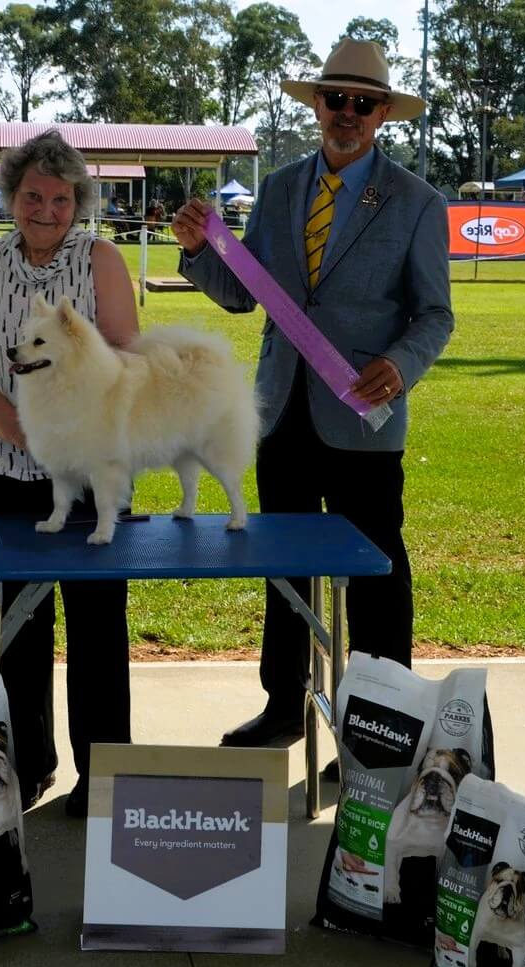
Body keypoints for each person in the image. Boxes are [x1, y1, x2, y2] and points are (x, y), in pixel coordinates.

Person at [172, 38, 454, 773]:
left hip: (364, 418)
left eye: (363, 104)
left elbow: (434, 315)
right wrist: (202, 252)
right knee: (282, 567)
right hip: (281, 414)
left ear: (383, 114)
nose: (347, 114)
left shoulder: (418, 203)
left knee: (376, 573)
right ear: (317, 105)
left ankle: (378, 724)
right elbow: (245, 295)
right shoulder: (276, 189)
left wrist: (400, 364)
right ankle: (282, 704)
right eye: (336, 99)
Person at [0, 130, 139, 817]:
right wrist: (25, 431)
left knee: (97, 633)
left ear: (79, 202)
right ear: (11, 197)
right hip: (3, 470)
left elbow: (126, 370)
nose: (46, 210)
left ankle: (104, 776)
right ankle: (25, 767)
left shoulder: (102, 261)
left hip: (91, 478)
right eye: (32, 196)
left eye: (61, 198)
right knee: (18, 636)